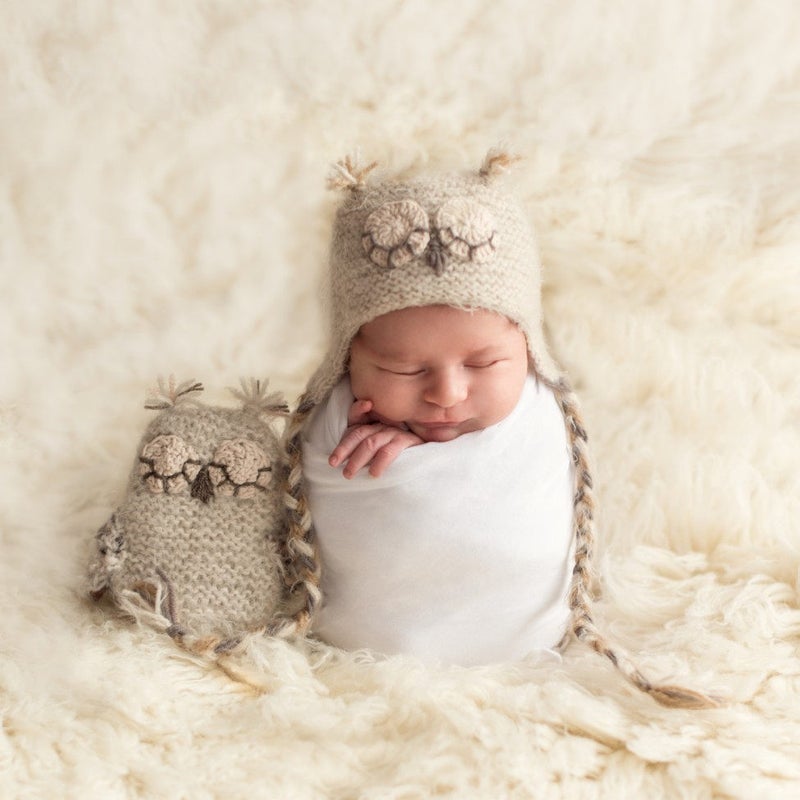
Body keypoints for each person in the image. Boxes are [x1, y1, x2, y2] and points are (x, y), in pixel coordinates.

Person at [279, 151, 716, 708]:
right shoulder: (339, 423)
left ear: (528, 349)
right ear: (347, 361)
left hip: (529, 651)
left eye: (484, 364)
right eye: (403, 370)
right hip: (362, 667)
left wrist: (423, 445)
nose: (447, 395)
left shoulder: (539, 412)